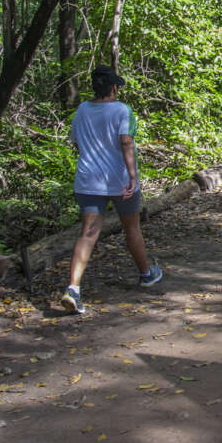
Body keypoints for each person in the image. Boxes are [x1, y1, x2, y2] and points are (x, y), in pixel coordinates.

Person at [61, 64, 162, 314]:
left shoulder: (82, 110)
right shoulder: (122, 110)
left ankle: (73, 288)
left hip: (88, 181)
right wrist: (133, 176)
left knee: (87, 234)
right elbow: (126, 142)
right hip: (120, 182)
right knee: (132, 228)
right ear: (114, 88)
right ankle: (146, 274)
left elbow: (77, 143)